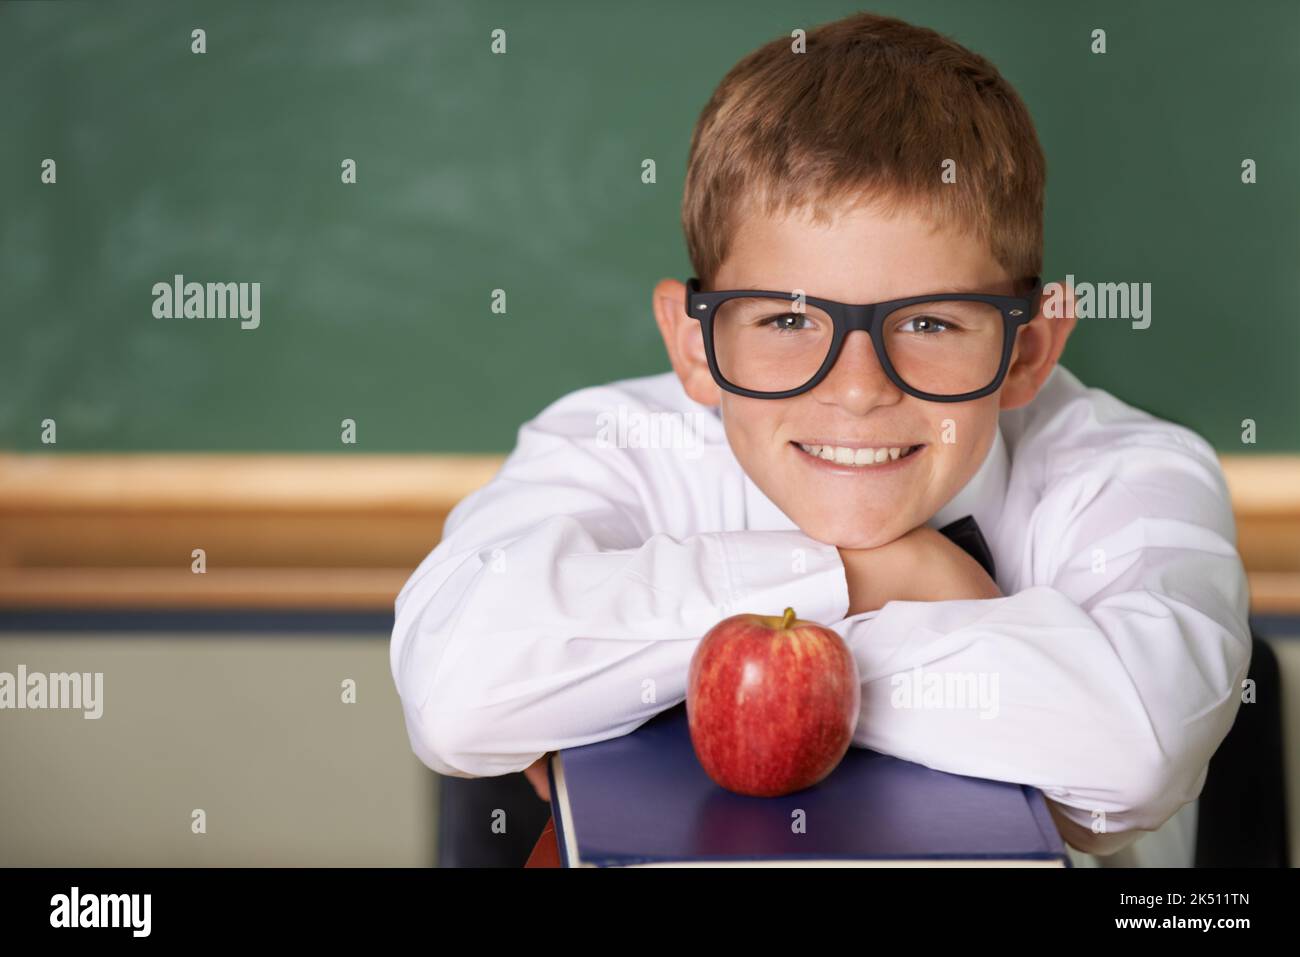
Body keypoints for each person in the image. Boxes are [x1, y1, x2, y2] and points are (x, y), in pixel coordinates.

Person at [390, 11, 1250, 868]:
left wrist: (670, 679)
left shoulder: (1132, 472)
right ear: (695, 346)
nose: (858, 387)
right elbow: (459, 690)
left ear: (1027, 348)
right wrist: (871, 576)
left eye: (929, 321)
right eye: (790, 317)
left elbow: (1133, 743)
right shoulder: (613, 442)